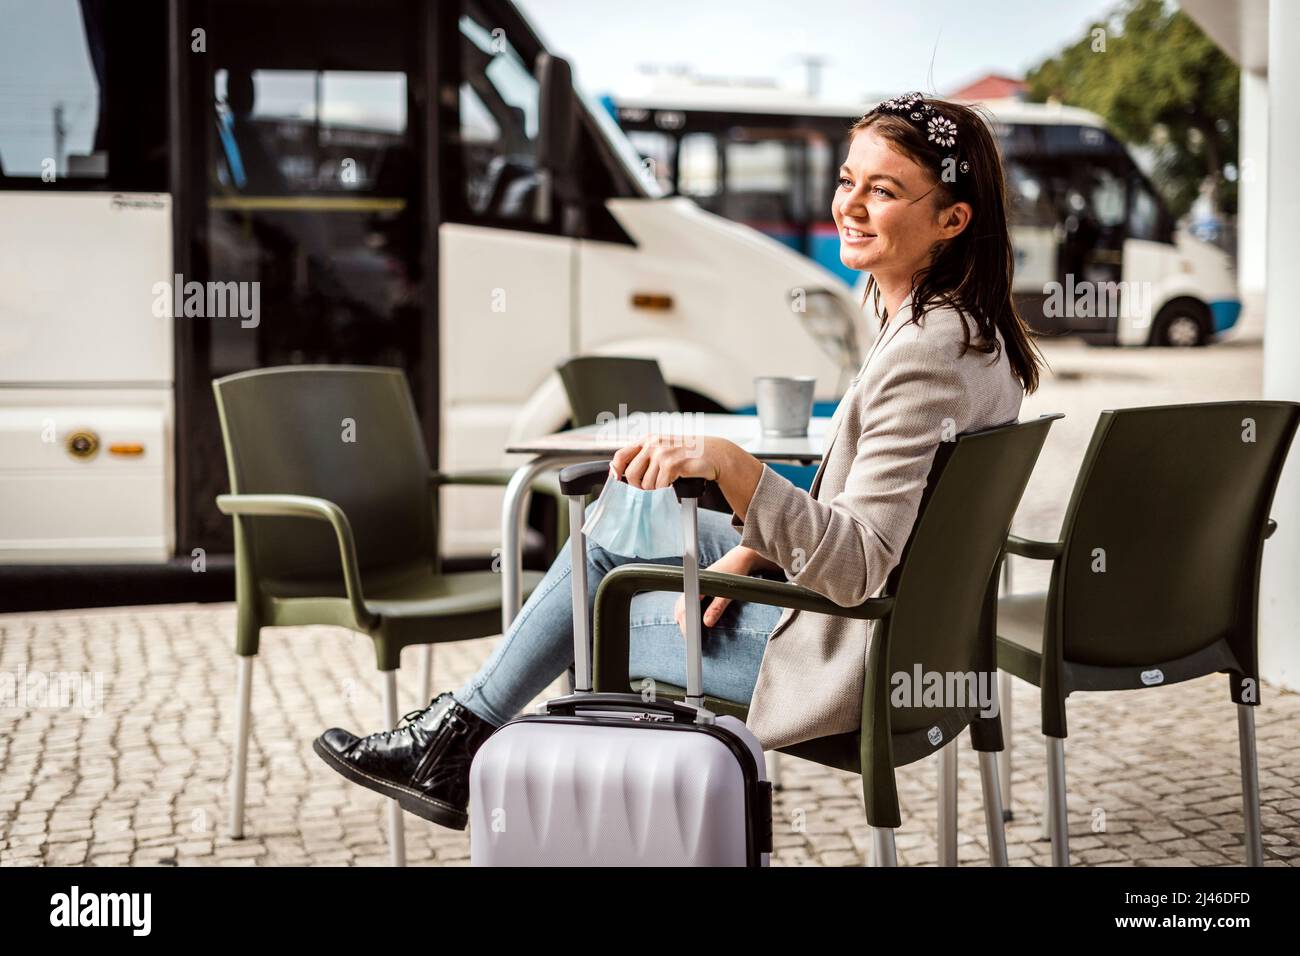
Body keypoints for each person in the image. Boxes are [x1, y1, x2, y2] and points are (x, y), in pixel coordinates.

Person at [313, 92, 1044, 831]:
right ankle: (457, 738)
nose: (850, 205)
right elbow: (887, 526)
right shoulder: (969, 335)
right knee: (629, 509)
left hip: (848, 662)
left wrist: (732, 464)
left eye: (883, 190)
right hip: (910, 642)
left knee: (597, 607)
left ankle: (464, 745)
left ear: (952, 220)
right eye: (848, 179)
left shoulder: (925, 352)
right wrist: (751, 554)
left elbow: (857, 565)